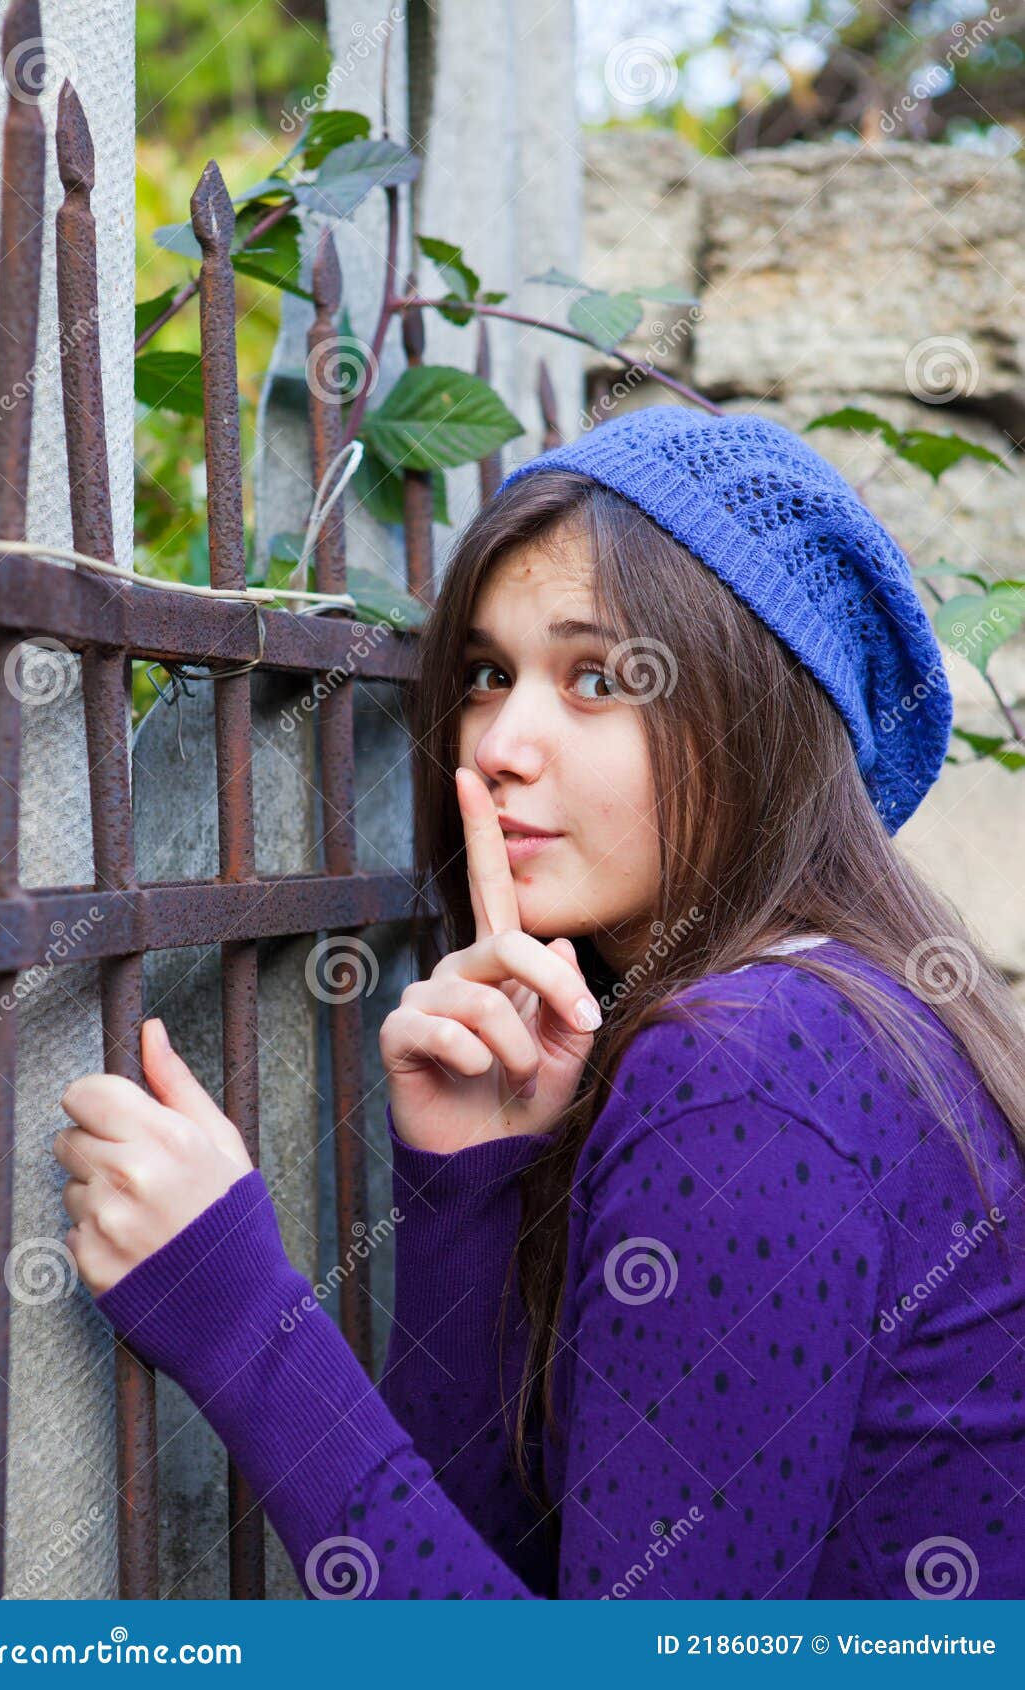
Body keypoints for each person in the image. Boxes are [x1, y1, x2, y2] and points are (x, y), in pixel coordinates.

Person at [55, 404, 1025, 1600]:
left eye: (597, 678)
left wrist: (242, 1319)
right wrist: (467, 1183)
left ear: (760, 715)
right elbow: (519, 1578)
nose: (499, 744)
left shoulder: (748, 1068)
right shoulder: (835, 1014)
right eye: (485, 674)